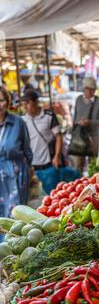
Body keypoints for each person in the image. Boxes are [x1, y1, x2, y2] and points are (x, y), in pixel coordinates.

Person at [0, 86, 32, 218]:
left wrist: (26, 173)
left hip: (16, 175)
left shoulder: (18, 122)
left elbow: (27, 151)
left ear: (7, 102)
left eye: (1, 100)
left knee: (15, 216)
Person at [23, 89, 63, 194]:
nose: (25, 106)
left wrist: (57, 156)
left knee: (53, 195)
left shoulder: (49, 116)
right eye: (24, 103)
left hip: (49, 165)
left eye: (28, 103)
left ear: (36, 102)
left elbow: (58, 136)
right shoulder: (22, 119)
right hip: (32, 168)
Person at [71, 77, 99, 174]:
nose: (89, 92)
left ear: (95, 90)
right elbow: (75, 118)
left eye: (92, 89)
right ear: (84, 89)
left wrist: (89, 122)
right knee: (78, 164)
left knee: (93, 163)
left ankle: (92, 183)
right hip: (79, 136)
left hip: (93, 136)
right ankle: (77, 184)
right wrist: (78, 123)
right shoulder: (78, 100)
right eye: (87, 89)